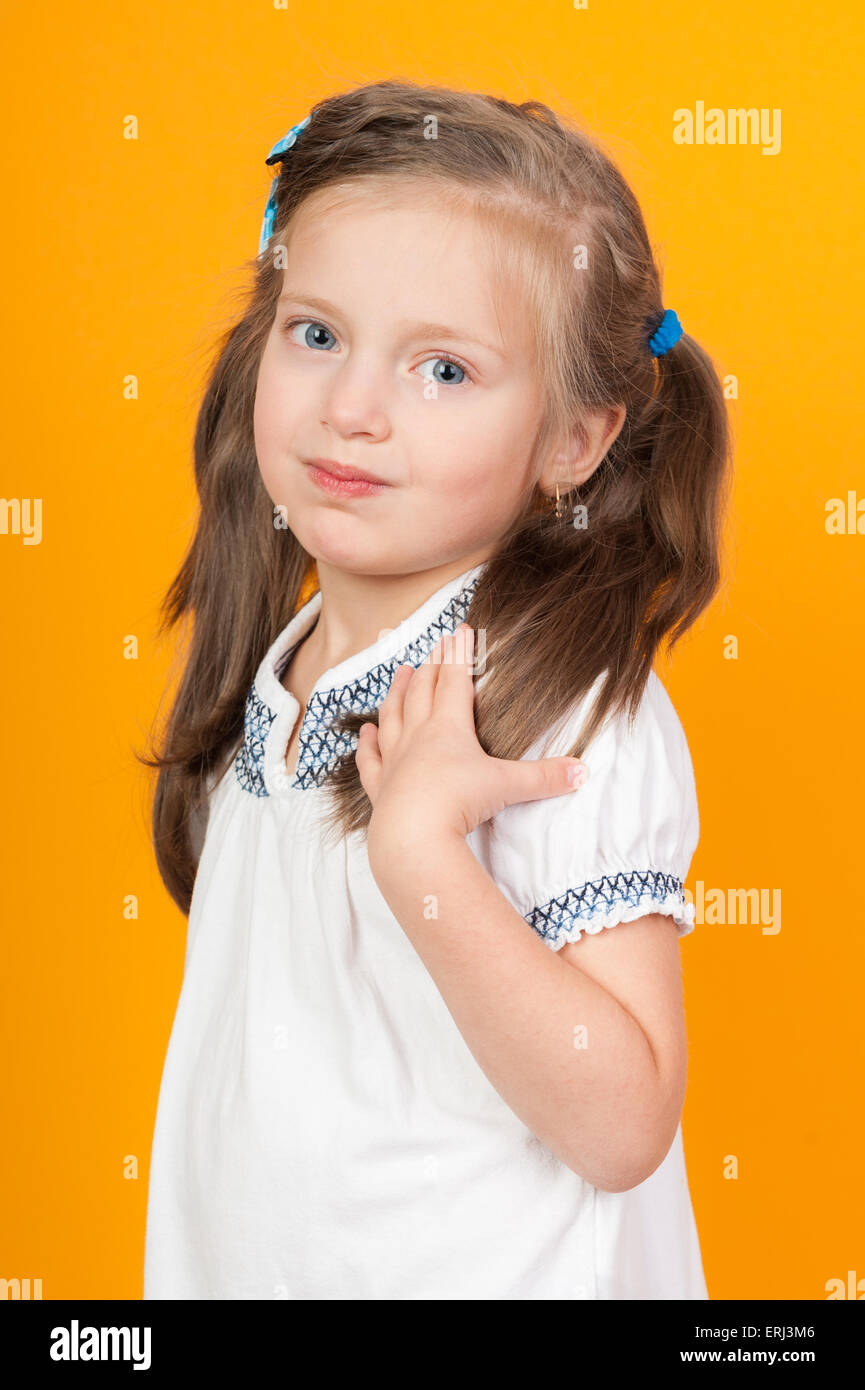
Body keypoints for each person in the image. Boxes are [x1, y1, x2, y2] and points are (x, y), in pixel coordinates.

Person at [140, 79, 732, 1300]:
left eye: (444, 371)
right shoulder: (283, 671)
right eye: (316, 335)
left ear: (573, 440)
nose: (351, 409)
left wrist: (423, 855)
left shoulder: (566, 713)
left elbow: (622, 1126)